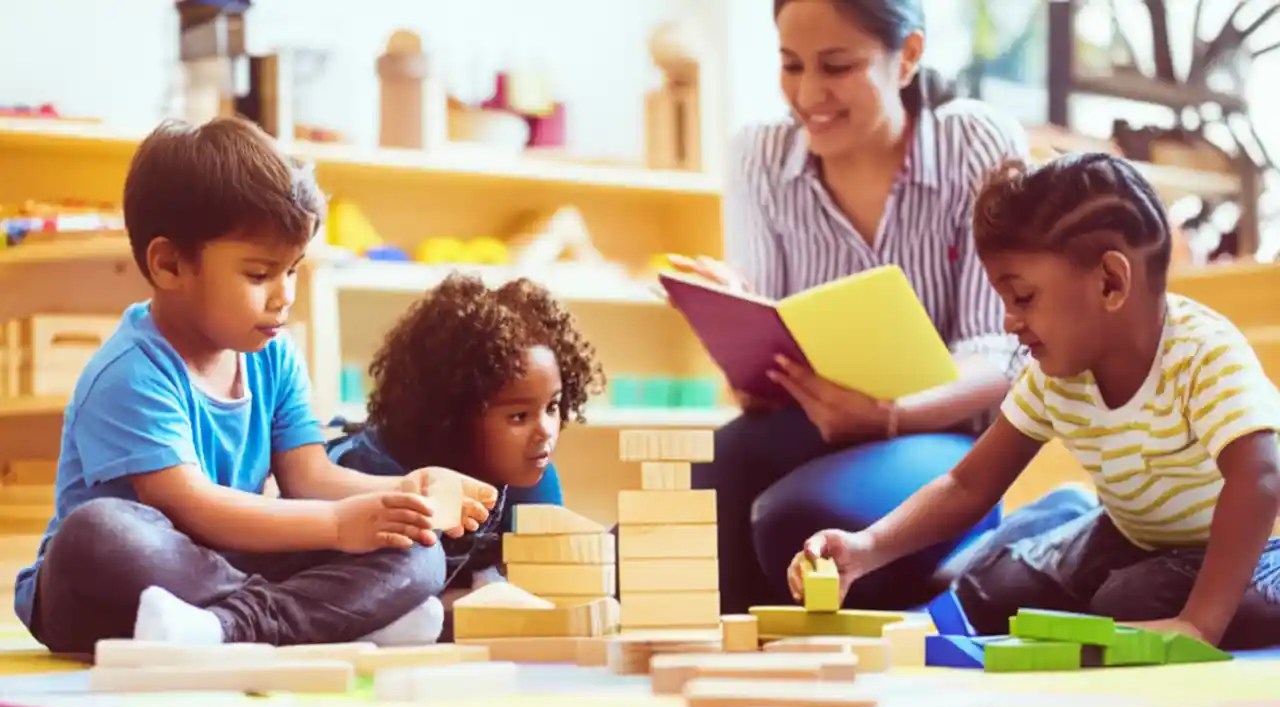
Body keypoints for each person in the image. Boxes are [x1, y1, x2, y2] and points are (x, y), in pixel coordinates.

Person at [11, 117, 496, 654]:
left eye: (292, 270)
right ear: (170, 264)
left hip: (221, 572)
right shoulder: (130, 371)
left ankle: (227, 627)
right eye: (259, 274)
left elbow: (308, 475)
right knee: (98, 532)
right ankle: (317, 620)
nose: (284, 295)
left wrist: (405, 494)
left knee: (416, 550)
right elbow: (193, 508)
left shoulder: (274, 355)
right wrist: (338, 524)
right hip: (114, 586)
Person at [789, 153, 1280, 650]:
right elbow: (967, 484)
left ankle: (1099, 551)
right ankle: (1066, 515)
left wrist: (1199, 624)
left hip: (1253, 549)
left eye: (1022, 298)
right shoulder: (1056, 373)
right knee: (985, 596)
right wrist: (866, 546)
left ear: (1110, 282)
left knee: (1135, 604)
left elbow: (1261, 475)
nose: (1007, 322)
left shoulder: (1202, 353)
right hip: (1130, 535)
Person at [676, 0, 1033, 612]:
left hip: (946, 442)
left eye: (837, 66)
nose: (809, 93)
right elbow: (769, 365)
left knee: (800, 523)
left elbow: (1004, 354)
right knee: (671, 532)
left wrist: (889, 414)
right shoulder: (759, 157)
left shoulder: (975, 141)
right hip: (800, 427)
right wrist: (742, 348)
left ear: (908, 58)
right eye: (791, 65)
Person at [327, 273, 606, 590]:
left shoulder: (531, 483)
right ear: (453, 414)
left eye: (553, 407)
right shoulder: (377, 474)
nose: (545, 431)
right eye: (519, 416)